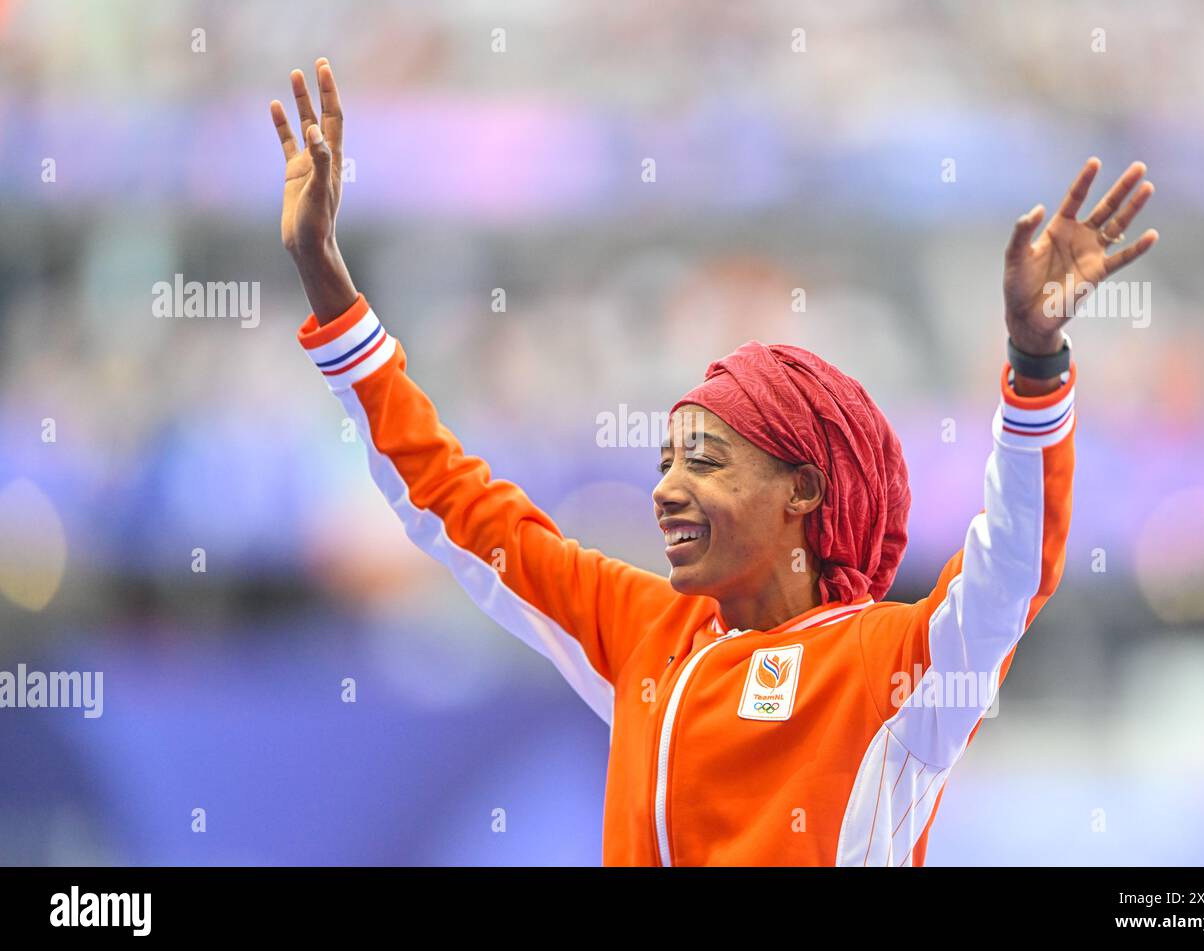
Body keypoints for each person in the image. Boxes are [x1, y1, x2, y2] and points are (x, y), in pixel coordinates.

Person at [270, 59, 1158, 866]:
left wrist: (1036, 363)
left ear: (801, 490)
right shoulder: (644, 630)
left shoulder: (896, 669)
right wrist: (328, 284)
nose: (665, 489)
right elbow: (458, 506)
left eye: (704, 461)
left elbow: (1012, 565)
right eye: (665, 461)